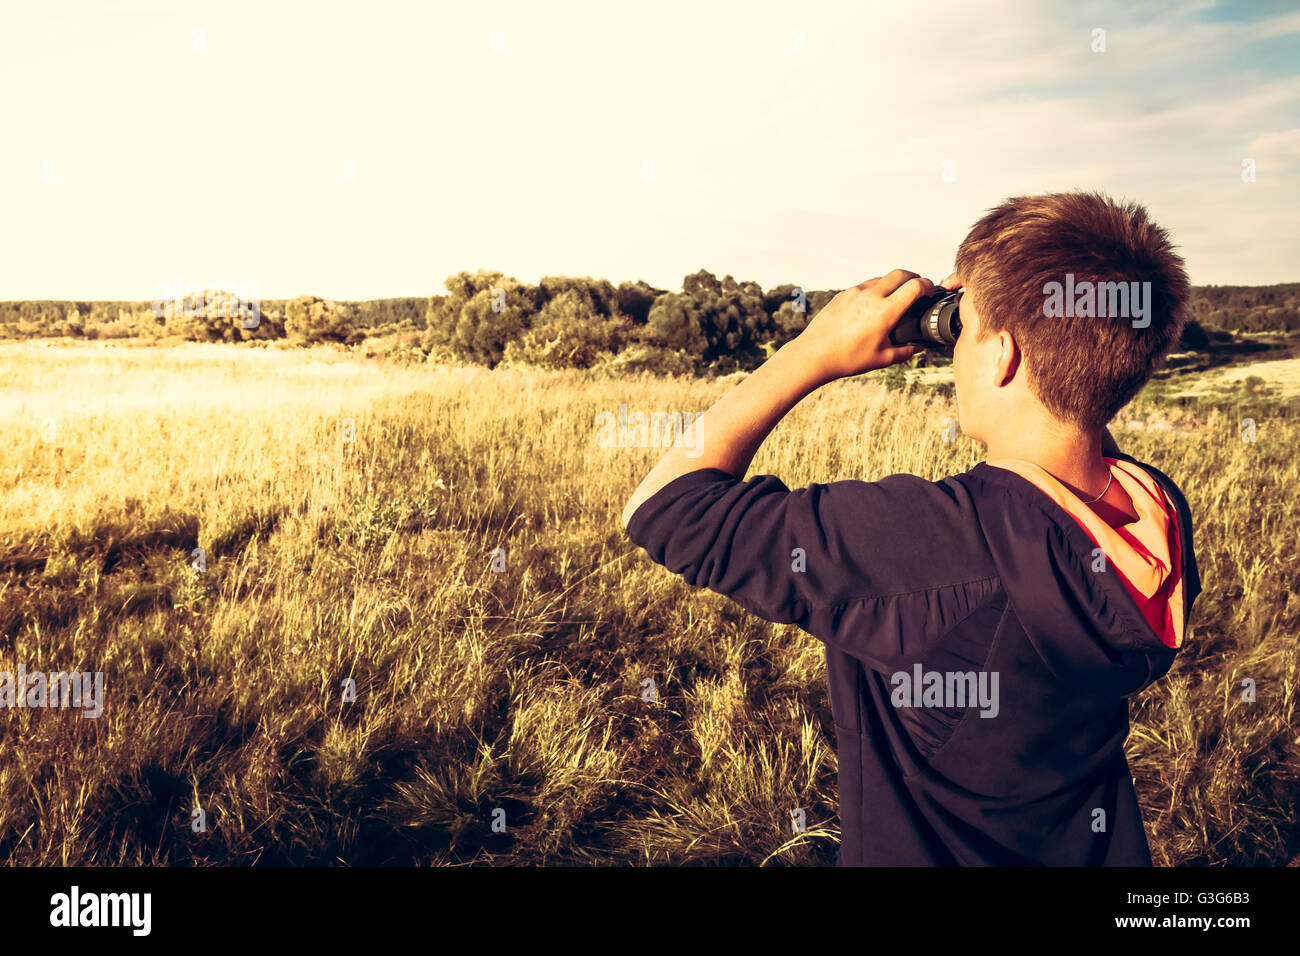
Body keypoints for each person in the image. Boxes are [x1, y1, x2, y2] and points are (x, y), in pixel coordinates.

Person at [621, 191, 1201, 865]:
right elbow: (1079, 390)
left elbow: (663, 507)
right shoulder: (1150, 507)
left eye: (966, 330)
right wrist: (994, 301)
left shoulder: (931, 542)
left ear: (1002, 357)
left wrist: (812, 352)